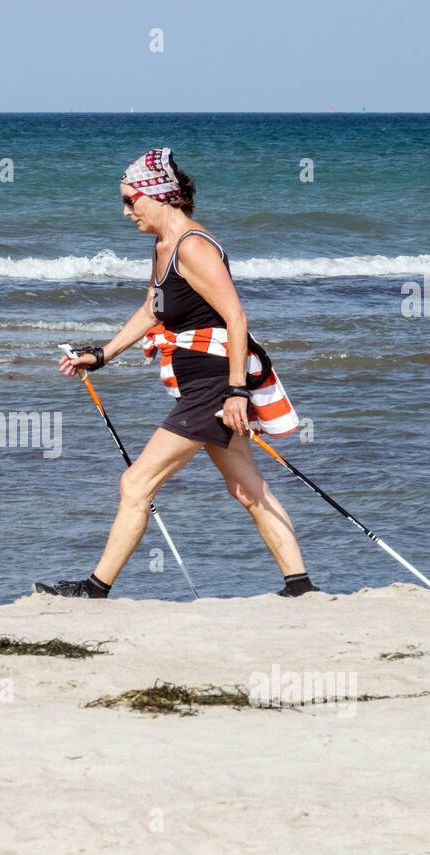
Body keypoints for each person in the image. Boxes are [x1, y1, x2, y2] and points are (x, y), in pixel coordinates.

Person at [34, 147, 319, 599]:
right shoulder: (163, 247)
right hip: (201, 384)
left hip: (213, 386)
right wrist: (102, 354)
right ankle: (301, 588)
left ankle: (95, 589)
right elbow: (153, 309)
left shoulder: (193, 246)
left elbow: (236, 318)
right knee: (246, 488)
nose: (126, 211)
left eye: (132, 201)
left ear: (160, 196)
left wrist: (235, 392)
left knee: (136, 482)